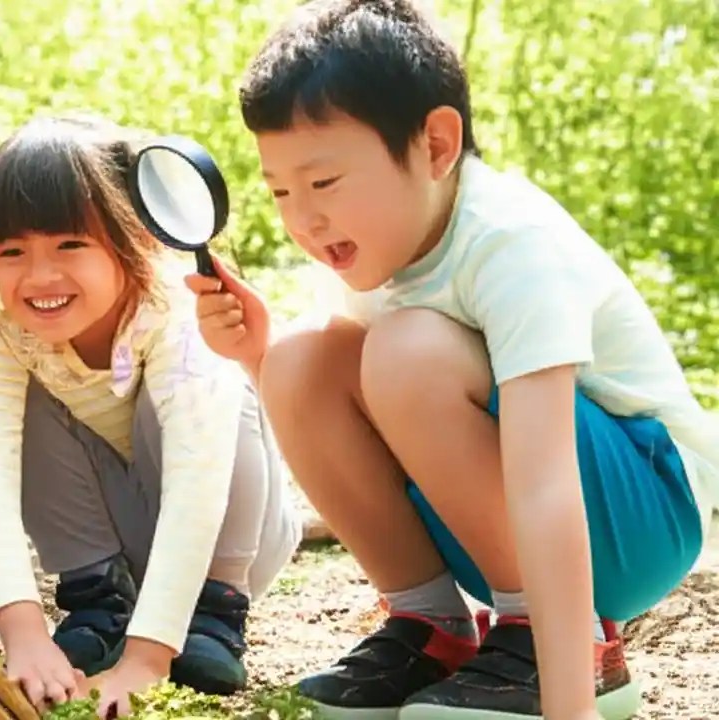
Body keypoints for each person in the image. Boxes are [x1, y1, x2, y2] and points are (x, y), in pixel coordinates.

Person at [190, 1, 718, 718]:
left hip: (641, 518)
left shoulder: (509, 244)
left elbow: (546, 481)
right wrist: (258, 357)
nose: (303, 219)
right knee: (299, 357)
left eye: (323, 183)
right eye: (281, 190)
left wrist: (573, 706)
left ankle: (566, 651)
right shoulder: (374, 251)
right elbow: (353, 427)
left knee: (408, 350)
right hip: (512, 534)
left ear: (436, 145)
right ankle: (430, 630)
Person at [0, 115, 302, 717]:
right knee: (19, 404)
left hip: (228, 535)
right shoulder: (0, 325)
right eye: (12, 252)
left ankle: (214, 609)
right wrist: (24, 633)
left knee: (219, 390)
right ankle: (98, 598)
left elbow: (199, 476)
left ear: (135, 238)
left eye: (69, 245)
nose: (40, 277)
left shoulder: (175, 310)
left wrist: (146, 660)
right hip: (119, 534)